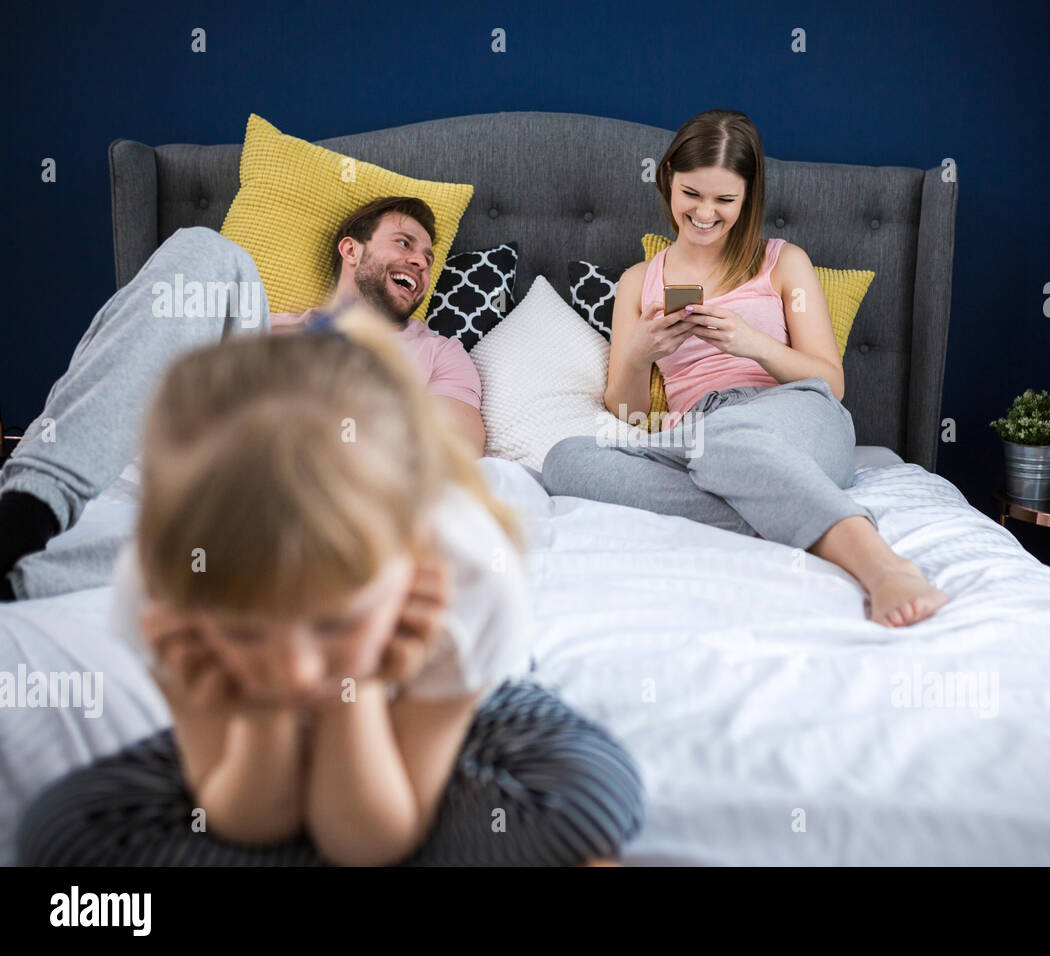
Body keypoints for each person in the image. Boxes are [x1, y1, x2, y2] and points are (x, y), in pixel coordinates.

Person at [15, 306, 643, 866]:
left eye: (331, 623)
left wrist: (359, 691)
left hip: (444, 701)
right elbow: (246, 816)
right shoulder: (168, 588)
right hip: (251, 748)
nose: (294, 665)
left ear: (411, 572)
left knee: (585, 799)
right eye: (247, 627)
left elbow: (372, 840)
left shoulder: (463, 580)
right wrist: (260, 715)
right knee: (61, 830)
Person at [542, 110, 949, 628]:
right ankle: (774, 507)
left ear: (748, 198)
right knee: (565, 460)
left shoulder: (784, 263)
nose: (705, 213)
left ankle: (882, 565)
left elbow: (831, 382)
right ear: (667, 179)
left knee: (729, 442)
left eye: (724, 200)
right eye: (692, 193)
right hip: (692, 435)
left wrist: (753, 343)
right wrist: (642, 354)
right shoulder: (637, 282)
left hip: (792, 413)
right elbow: (629, 414)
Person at [0, 196, 484, 601]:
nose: (421, 261)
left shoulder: (440, 351)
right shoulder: (258, 318)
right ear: (351, 250)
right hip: (209, 434)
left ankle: (24, 582)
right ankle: (32, 502)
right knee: (204, 249)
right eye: (404, 242)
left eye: (427, 255)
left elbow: (454, 446)